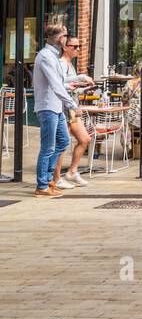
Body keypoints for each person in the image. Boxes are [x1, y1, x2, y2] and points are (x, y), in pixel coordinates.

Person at [33, 25, 78, 197]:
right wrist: (73, 105)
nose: (68, 39)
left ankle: (50, 180)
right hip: (47, 107)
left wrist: (78, 79)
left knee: (63, 141)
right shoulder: (45, 57)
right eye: (66, 36)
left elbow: (60, 81)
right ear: (61, 39)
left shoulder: (52, 56)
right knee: (48, 147)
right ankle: (42, 185)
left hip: (56, 106)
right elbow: (55, 84)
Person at [52, 34, 95, 189]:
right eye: (74, 47)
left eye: (79, 46)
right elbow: (60, 83)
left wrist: (85, 87)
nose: (78, 49)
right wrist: (81, 77)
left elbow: (71, 88)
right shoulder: (61, 63)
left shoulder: (70, 64)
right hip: (64, 109)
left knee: (84, 139)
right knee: (62, 143)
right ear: (65, 47)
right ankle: (56, 178)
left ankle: (72, 171)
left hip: (72, 108)